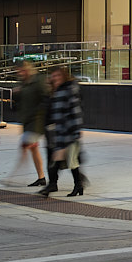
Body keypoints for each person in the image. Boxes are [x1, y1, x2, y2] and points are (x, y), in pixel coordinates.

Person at [43, 64, 87, 198]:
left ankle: (53, 186)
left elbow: (75, 111)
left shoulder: (69, 89)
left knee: (65, 160)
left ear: (64, 76)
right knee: (67, 160)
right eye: (53, 76)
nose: (55, 78)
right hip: (60, 131)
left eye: (58, 75)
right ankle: (77, 185)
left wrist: (75, 131)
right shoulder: (58, 90)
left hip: (68, 131)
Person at [11, 60, 49, 188]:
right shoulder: (24, 83)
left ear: (27, 69)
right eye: (18, 72)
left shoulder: (38, 80)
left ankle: (14, 176)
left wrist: (39, 113)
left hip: (36, 121)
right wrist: (17, 95)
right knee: (33, 149)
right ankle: (41, 177)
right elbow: (21, 102)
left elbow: (45, 98)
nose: (20, 74)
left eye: (21, 71)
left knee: (25, 146)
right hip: (27, 121)